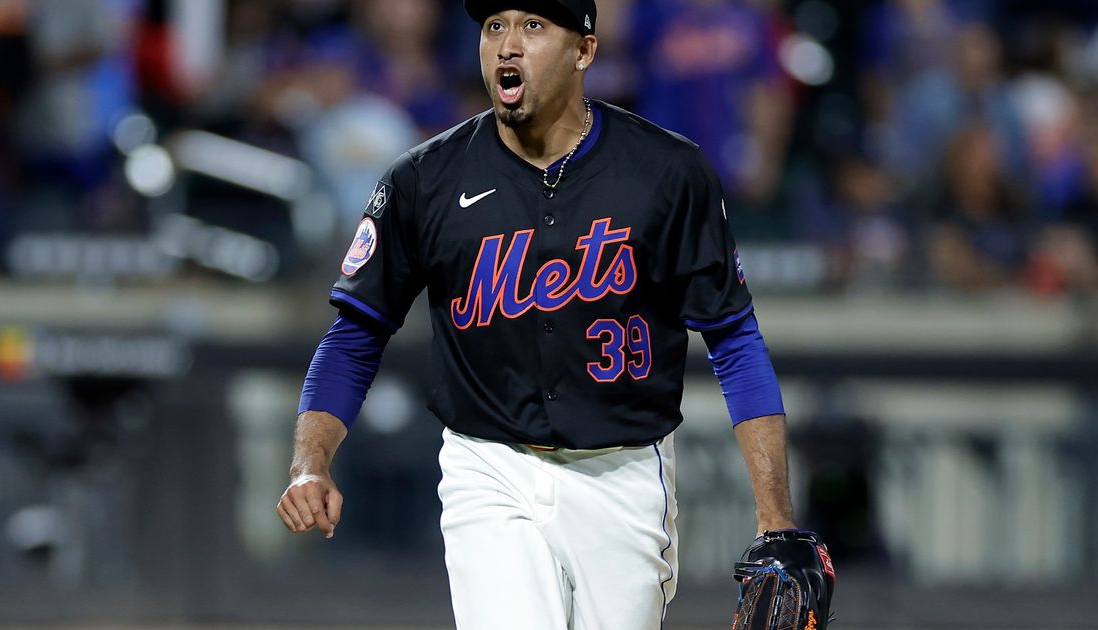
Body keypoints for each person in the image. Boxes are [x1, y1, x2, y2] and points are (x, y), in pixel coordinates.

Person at [276, 1, 799, 627]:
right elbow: (355, 332)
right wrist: (311, 460)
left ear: (584, 52)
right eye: (494, 27)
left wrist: (775, 515)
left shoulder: (667, 171)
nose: (507, 46)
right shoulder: (426, 179)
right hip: (487, 465)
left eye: (532, 27)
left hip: (623, 471)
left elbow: (733, 337)